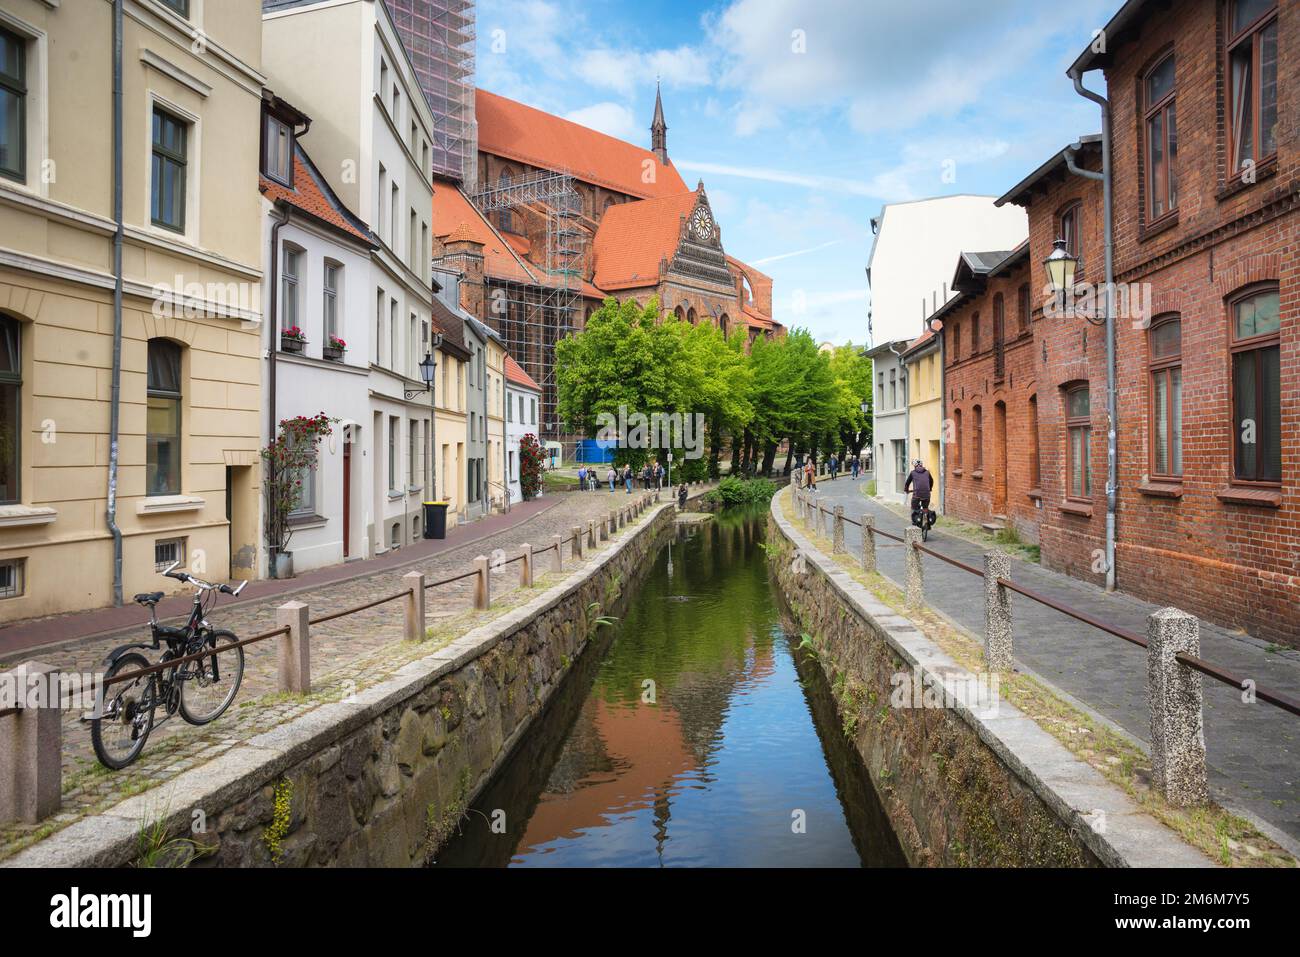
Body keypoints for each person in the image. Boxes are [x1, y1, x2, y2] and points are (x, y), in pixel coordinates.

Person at [903, 459, 935, 528]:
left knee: (913, 507)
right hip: (926, 494)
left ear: (914, 466)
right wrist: (930, 488)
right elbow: (931, 481)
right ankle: (927, 523)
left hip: (917, 494)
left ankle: (913, 522)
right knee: (925, 507)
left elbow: (907, 483)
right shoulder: (927, 472)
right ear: (922, 465)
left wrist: (906, 490)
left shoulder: (913, 473)